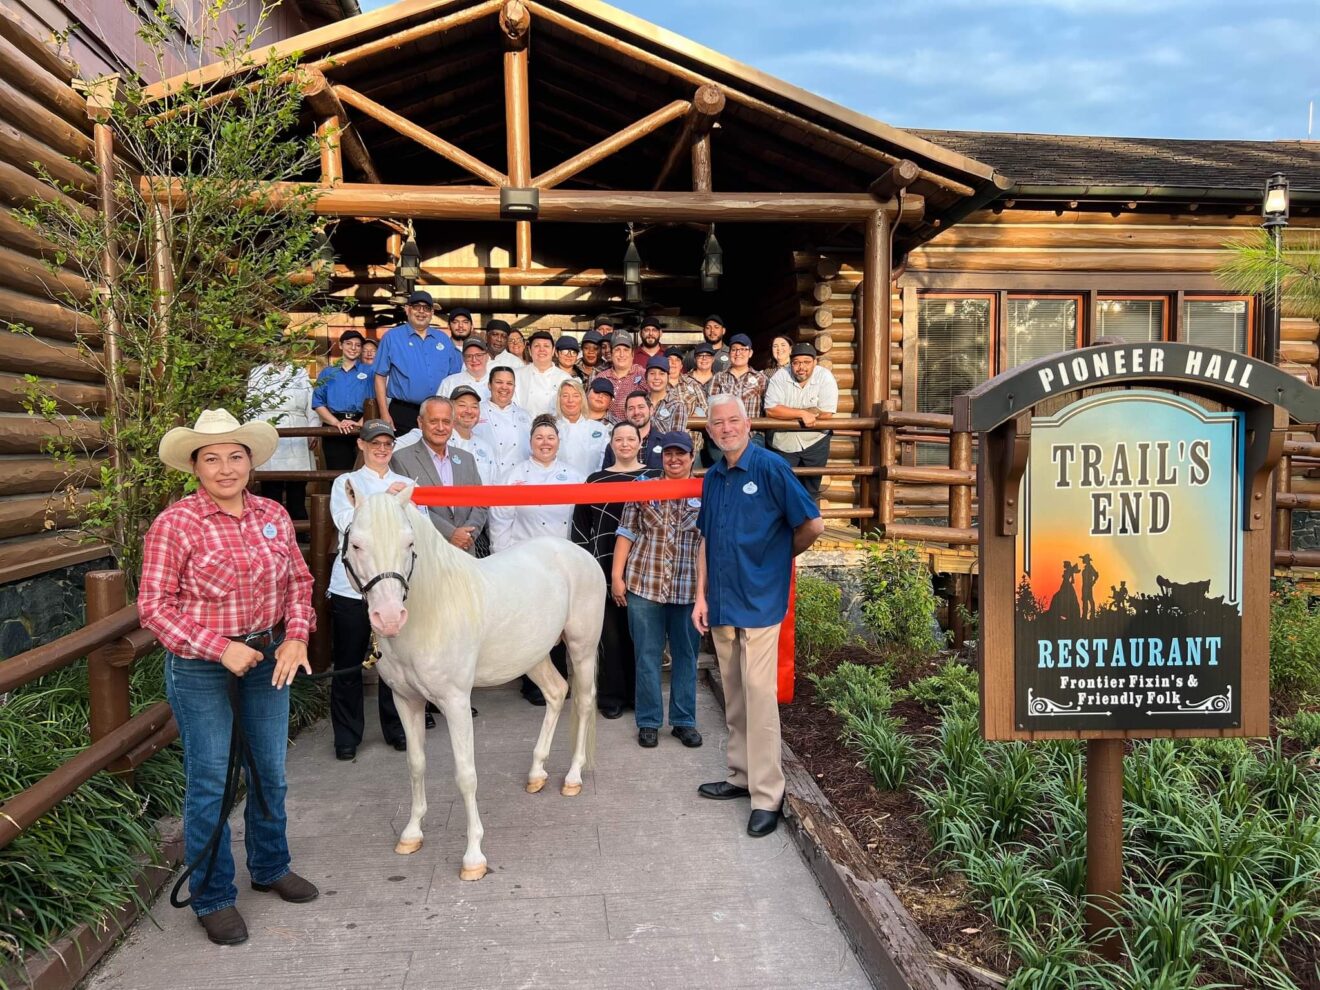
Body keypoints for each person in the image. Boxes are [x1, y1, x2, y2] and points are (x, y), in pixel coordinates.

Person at [138, 409, 319, 946]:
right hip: (201, 668)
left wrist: (297, 635)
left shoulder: (272, 516)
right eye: (211, 458)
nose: (225, 468)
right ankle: (213, 895)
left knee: (270, 770)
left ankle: (269, 865)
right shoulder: (176, 523)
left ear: (251, 462)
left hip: (269, 658)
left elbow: (299, 582)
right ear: (195, 467)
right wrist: (221, 650)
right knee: (211, 780)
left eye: (235, 456)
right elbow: (154, 607)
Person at [693, 393, 823, 838]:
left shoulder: (770, 468)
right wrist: (700, 597)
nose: (726, 428)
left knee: (759, 696)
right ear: (709, 431)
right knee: (734, 694)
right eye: (718, 423)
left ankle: (768, 794)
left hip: (762, 600)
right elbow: (705, 539)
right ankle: (740, 776)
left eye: (733, 420)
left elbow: (813, 523)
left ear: (747, 424)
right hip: (724, 602)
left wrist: (780, 557)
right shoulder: (712, 477)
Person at [613, 431, 703, 750]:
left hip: (689, 587)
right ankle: (649, 721)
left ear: (692, 457)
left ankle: (683, 721)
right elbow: (626, 531)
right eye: (668, 454)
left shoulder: (704, 491)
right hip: (644, 582)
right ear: (661, 456)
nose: (674, 459)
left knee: (686, 656)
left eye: (681, 454)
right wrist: (616, 575)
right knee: (647, 655)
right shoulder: (644, 487)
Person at [490, 414, 586, 705]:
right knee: (528, 623)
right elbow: (500, 519)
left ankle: (558, 679)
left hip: (560, 560)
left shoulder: (574, 476)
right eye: (539, 437)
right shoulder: (513, 475)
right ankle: (530, 684)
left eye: (550, 438)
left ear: (558, 442)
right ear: (530, 442)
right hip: (523, 562)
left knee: (557, 620)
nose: (545, 443)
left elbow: (581, 520)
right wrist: (502, 559)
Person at [327, 420, 408, 760]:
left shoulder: (403, 485)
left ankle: (397, 728)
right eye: (375, 443)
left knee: (396, 662)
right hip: (352, 587)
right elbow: (347, 523)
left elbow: (411, 527)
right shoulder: (345, 482)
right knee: (348, 663)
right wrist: (383, 503)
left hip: (390, 587)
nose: (382, 449)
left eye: (388, 443)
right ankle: (346, 735)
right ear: (361, 445)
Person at [573, 421, 655, 719]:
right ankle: (611, 696)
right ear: (611, 444)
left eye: (630, 438)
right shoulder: (594, 480)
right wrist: (585, 566)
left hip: (647, 566)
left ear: (639, 442)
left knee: (642, 635)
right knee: (608, 634)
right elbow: (581, 527)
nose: (624, 444)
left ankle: (640, 695)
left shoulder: (655, 477)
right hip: (603, 564)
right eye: (618, 439)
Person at [390, 396, 487, 556]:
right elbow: (407, 506)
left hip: (465, 552)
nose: (441, 428)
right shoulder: (401, 459)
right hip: (427, 555)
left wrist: (468, 534)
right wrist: (451, 534)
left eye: (446, 421)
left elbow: (481, 502)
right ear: (421, 423)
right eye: (434, 421)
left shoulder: (466, 458)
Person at [373, 290, 462, 435]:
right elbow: (379, 376)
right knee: (402, 456)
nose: (421, 312)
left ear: (432, 312)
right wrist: (384, 413)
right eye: (416, 307)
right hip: (403, 412)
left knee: (435, 456)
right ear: (407, 309)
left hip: (437, 413)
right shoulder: (392, 337)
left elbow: (454, 378)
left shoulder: (443, 340)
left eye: (426, 308)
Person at [764, 343, 838, 499]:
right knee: (782, 491)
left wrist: (787, 411)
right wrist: (803, 413)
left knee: (811, 491)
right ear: (791, 363)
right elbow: (771, 409)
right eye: (796, 362)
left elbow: (826, 413)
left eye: (806, 362)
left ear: (815, 362)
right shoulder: (780, 376)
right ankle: (786, 524)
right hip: (783, 443)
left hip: (815, 441)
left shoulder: (825, 376)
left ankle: (807, 523)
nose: (801, 367)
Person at [247, 359, 318, 520]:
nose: (278, 351)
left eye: (281, 347)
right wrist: (252, 436)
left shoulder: (299, 372)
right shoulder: (258, 372)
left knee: (298, 485)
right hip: (268, 428)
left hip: (297, 426)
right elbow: (250, 407)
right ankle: (271, 525)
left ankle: (300, 527)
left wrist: (313, 429)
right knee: (271, 485)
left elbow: (311, 404)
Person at [312, 329, 373, 471]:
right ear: (340, 345)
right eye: (349, 343)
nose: (353, 348)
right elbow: (318, 402)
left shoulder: (369, 371)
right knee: (337, 473)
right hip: (333, 425)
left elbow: (375, 401)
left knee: (363, 473)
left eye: (358, 345)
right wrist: (336, 423)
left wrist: (359, 423)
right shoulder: (327, 372)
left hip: (362, 424)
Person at [474, 366, 531, 477]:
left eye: (509, 383)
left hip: (518, 479)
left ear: (514, 387)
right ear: (489, 385)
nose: (504, 387)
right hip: (485, 478)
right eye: (499, 382)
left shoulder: (525, 416)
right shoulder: (476, 412)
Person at [556, 377, 610, 477]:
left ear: (582, 399)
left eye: (576, 396)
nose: (570, 400)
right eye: (565, 396)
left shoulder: (599, 429)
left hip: (590, 487)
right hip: (558, 487)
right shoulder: (552, 428)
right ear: (559, 400)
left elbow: (605, 461)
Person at [711, 334, 769, 421]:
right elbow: (712, 407)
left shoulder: (761, 378)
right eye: (734, 349)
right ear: (729, 353)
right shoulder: (718, 377)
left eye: (743, 349)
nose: (738, 353)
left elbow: (768, 409)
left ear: (750, 353)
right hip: (726, 430)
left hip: (752, 432)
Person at [447, 385, 498, 484]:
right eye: (462, 405)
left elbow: (493, 484)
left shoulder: (486, 448)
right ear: (450, 409)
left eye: (474, 406)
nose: (469, 411)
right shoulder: (440, 443)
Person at [515, 330, 572, 417]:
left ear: (553, 351)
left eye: (546, 346)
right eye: (537, 346)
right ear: (530, 351)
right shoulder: (517, 375)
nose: (542, 350)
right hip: (523, 426)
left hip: (554, 427)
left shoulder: (564, 378)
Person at [603, 391, 665, 470]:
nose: (636, 412)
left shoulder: (664, 442)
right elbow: (606, 477)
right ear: (626, 413)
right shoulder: (614, 446)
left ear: (651, 410)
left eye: (641, 407)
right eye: (631, 408)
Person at [595, 331, 646, 423]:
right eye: (617, 349)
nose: (622, 354)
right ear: (611, 353)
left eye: (626, 350)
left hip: (636, 432)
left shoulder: (643, 375)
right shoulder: (601, 377)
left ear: (632, 354)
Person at [644, 354, 689, 436]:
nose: (657, 377)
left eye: (661, 374)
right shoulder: (640, 402)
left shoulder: (677, 405)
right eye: (652, 373)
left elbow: (675, 439)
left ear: (668, 377)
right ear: (646, 377)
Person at [438, 336, 492, 400]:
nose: (474, 360)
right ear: (463, 358)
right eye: (469, 356)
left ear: (487, 356)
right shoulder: (449, 382)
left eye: (479, 355)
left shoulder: (497, 382)